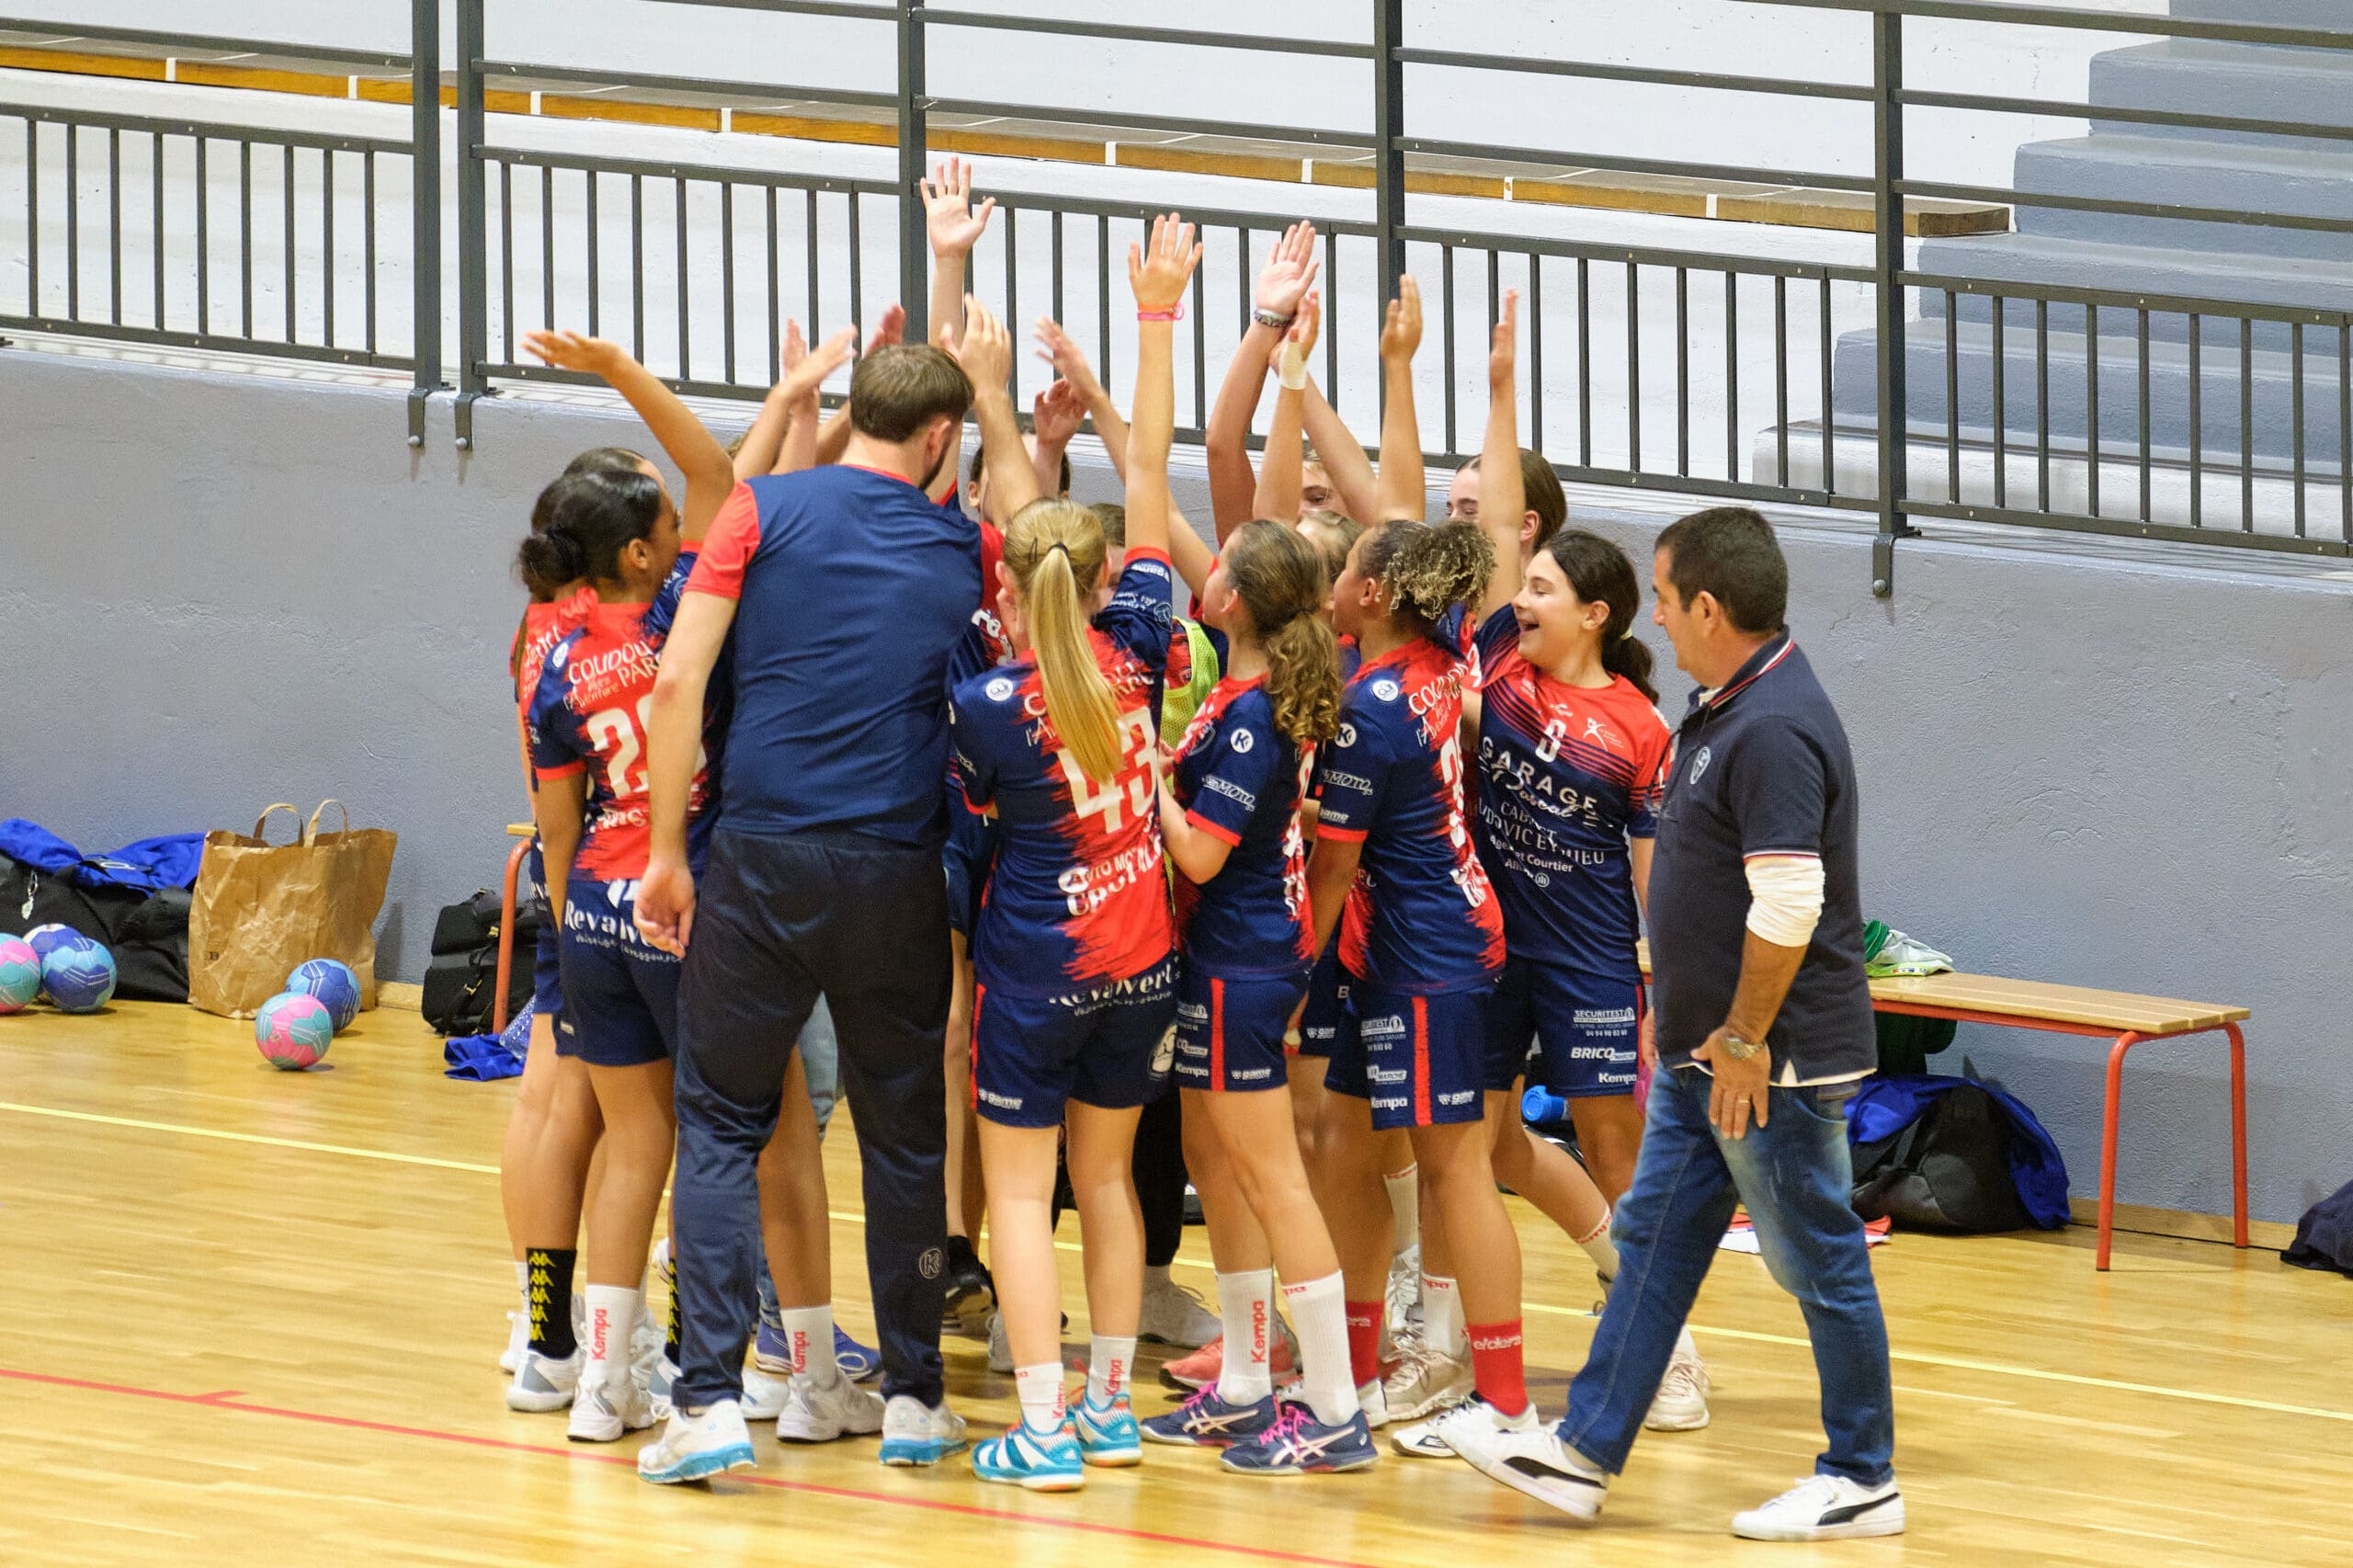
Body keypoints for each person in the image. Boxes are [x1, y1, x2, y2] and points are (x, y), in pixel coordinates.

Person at [1449, 506, 1901, 1543]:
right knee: (1651, 1241)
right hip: (1711, 1053)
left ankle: (1862, 1473)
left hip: (1764, 1059)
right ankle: (1584, 1451)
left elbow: (1789, 904)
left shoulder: (1775, 724)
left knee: (1818, 1254)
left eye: (1661, 595)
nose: (1654, 614)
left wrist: (1743, 1039)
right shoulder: (1727, 701)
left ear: (1706, 605)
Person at [630, 331, 985, 1483]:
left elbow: (677, 678)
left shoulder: (755, 509)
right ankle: (919, 1398)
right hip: (895, 868)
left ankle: (710, 1401)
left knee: (723, 1123)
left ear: (857, 406)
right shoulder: (961, 541)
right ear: (939, 437)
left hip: (763, 857)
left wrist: (669, 850)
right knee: (904, 1137)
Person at [1414, 293, 1711, 1449]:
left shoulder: (1638, 727)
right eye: (1518, 587)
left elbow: (1658, 877)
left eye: (1540, 592)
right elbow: (1494, 534)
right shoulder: (1500, 666)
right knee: (1477, 1146)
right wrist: (1496, 391)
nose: (1516, 598)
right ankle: (1453, 1351)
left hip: (1589, 959)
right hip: (1490, 949)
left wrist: (1664, 991)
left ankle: (1666, 1352)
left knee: (1621, 1155)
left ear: (1591, 613)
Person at [948, 217, 1195, 1494]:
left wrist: (991, 397)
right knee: (1110, 1181)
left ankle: (1038, 1428)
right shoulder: (1146, 652)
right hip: (1144, 962)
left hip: (1039, 972)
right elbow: (1144, 474)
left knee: (1020, 1191)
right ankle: (1104, 1404)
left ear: (1016, 586)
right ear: (1106, 581)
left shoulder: (990, 704)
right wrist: (1154, 321)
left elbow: (1020, 523)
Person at [516, 329, 739, 1442]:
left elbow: (554, 822)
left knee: (629, 1142)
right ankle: (721, 1361)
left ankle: (598, 1387)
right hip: (680, 900)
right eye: (663, 524)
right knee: (718, 1133)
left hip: (592, 910)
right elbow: (719, 475)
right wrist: (619, 372)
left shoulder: (553, 653)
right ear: (650, 557)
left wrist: (569, 918)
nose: (681, 521)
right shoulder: (676, 616)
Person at [1138, 512, 1375, 1473]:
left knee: (1271, 1172)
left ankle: (1331, 1405)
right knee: (1212, 1153)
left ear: (1231, 598)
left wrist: (1139, 780)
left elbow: (1197, 847)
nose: (1208, 573)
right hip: (1222, 948)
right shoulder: (1234, 689)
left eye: (1220, 563)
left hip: (1246, 956)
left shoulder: (1249, 711)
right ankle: (1241, 1380)